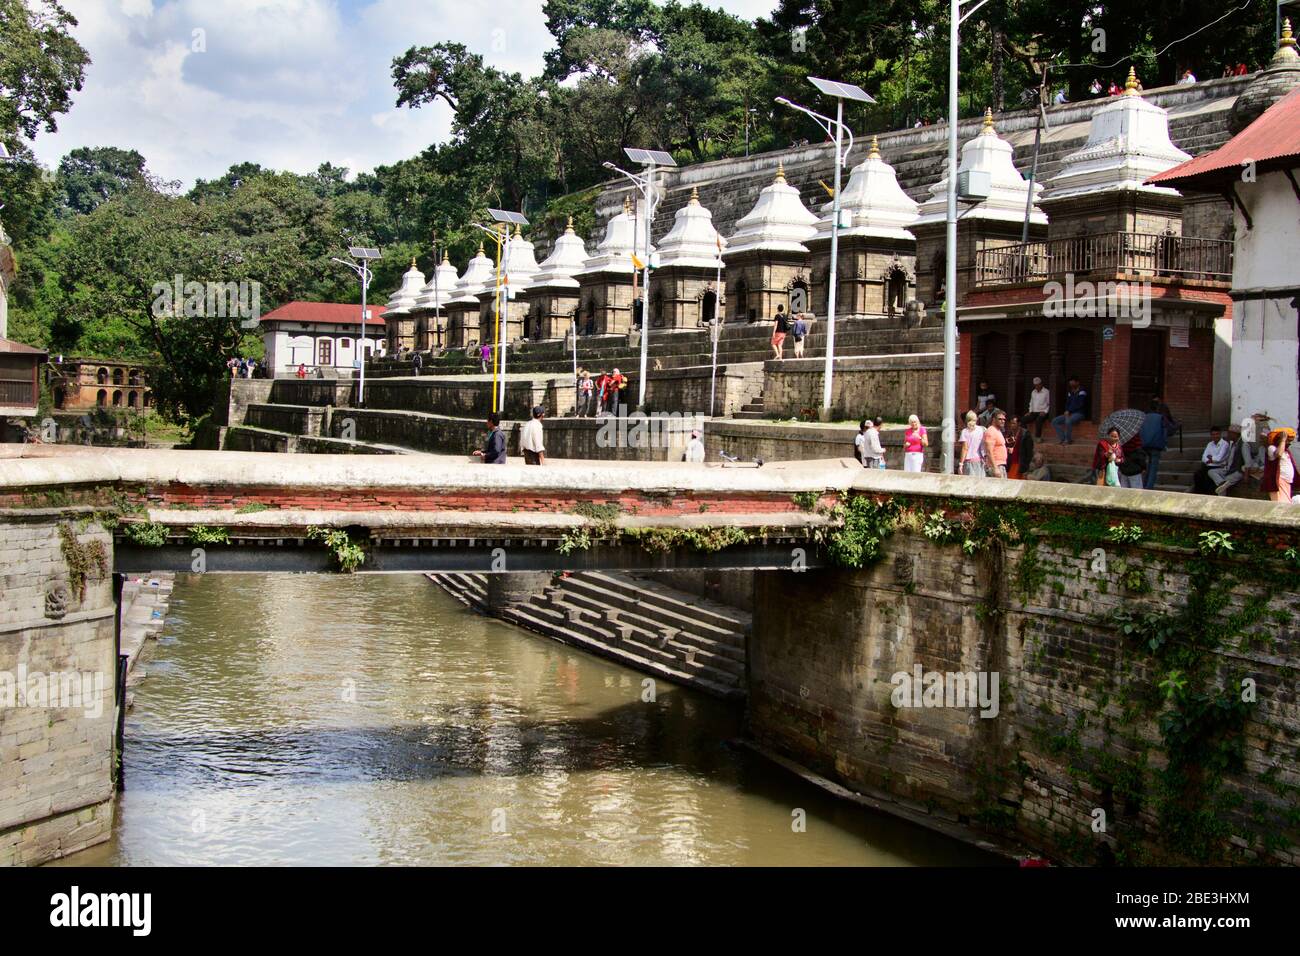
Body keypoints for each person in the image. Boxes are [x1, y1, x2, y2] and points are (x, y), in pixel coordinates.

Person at [1138, 399, 1168, 489]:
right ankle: (1149, 487)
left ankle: (1145, 484)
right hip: (1156, 445)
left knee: (1147, 467)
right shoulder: (1160, 417)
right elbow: (1165, 431)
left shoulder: (1144, 417)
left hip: (1145, 444)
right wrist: (1164, 443)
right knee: (1153, 467)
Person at [1262, 430, 1297, 502]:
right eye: (1288, 441)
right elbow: (1279, 454)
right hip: (1278, 481)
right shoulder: (1271, 448)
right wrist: (1283, 440)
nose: (1289, 443)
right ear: (1279, 440)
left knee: (1286, 503)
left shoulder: (1286, 451)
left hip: (1286, 482)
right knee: (1281, 504)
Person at [1193, 426, 1230, 493]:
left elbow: (1219, 458)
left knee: (1208, 476)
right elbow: (1203, 457)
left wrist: (1210, 458)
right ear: (1211, 435)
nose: (1215, 436)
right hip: (1208, 465)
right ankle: (1199, 493)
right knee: (1197, 474)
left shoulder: (1225, 444)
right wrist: (1210, 460)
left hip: (1219, 466)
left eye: (1217, 434)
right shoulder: (1210, 444)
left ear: (1220, 434)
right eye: (1213, 434)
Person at [1052, 378, 1088, 444]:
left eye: (1073, 383)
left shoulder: (1082, 391)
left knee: (1068, 421)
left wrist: (1069, 411)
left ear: (1077, 382)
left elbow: (1080, 404)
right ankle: (1062, 438)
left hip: (1079, 413)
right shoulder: (1070, 392)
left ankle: (1068, 440)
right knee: (1054, 421)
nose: (1071, 385)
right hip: (1069, 413)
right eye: (1070, 383)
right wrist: (1066, 410)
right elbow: (1067, 403)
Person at [958, 411, 986, 477]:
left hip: (969, 460)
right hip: (980, 460)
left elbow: (965, 448)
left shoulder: (964, 431)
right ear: (976, 419)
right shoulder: (982, 429)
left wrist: (961, 464)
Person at [1005, 415, 1033, 479]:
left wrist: (1026, 465)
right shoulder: (1009, 433)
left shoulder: (1025, 434)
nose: (1011, 425)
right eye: (1011, 423)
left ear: (1019, 423)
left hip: (1020, 462)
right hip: (1010, 462)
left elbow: (1029, 451)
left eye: (1014, 423)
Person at [985, 410, 1009, 478]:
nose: (1003, 421)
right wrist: (995, 468)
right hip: (996, 466)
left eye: (1004, 419)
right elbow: (989, 451)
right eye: (1000, 419)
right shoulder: (991, 431)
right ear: (993, 419)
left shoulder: (997, 430)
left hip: (1000, 465)